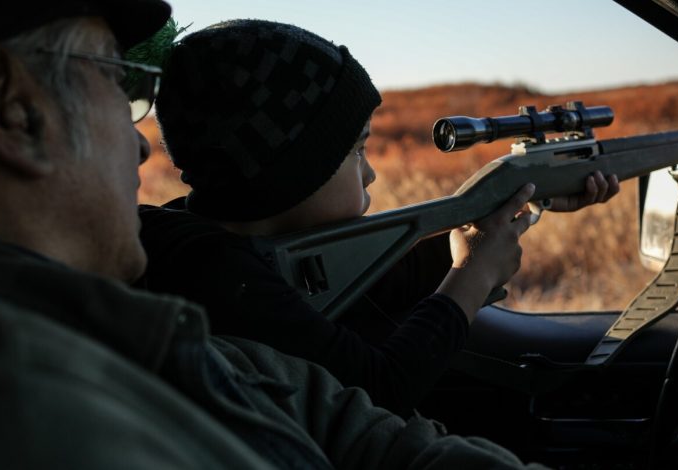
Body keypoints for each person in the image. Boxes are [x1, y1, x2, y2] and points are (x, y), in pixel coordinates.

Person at [0, 2, 554, 468]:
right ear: (13, 108)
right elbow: (380, 387)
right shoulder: (33, 398)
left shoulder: (178, 289)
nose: (141, 145)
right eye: (116, 82)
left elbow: (372, 291)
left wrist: (506, 214)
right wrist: (469, 280)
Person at [138, 19, 619, 416]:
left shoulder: (236, 243)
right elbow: (379, 389)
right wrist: (471, 280)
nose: (369, 173)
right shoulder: (214, 275)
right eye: (357, 150)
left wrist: (519, 206)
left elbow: (389, 277)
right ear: (294, 171)